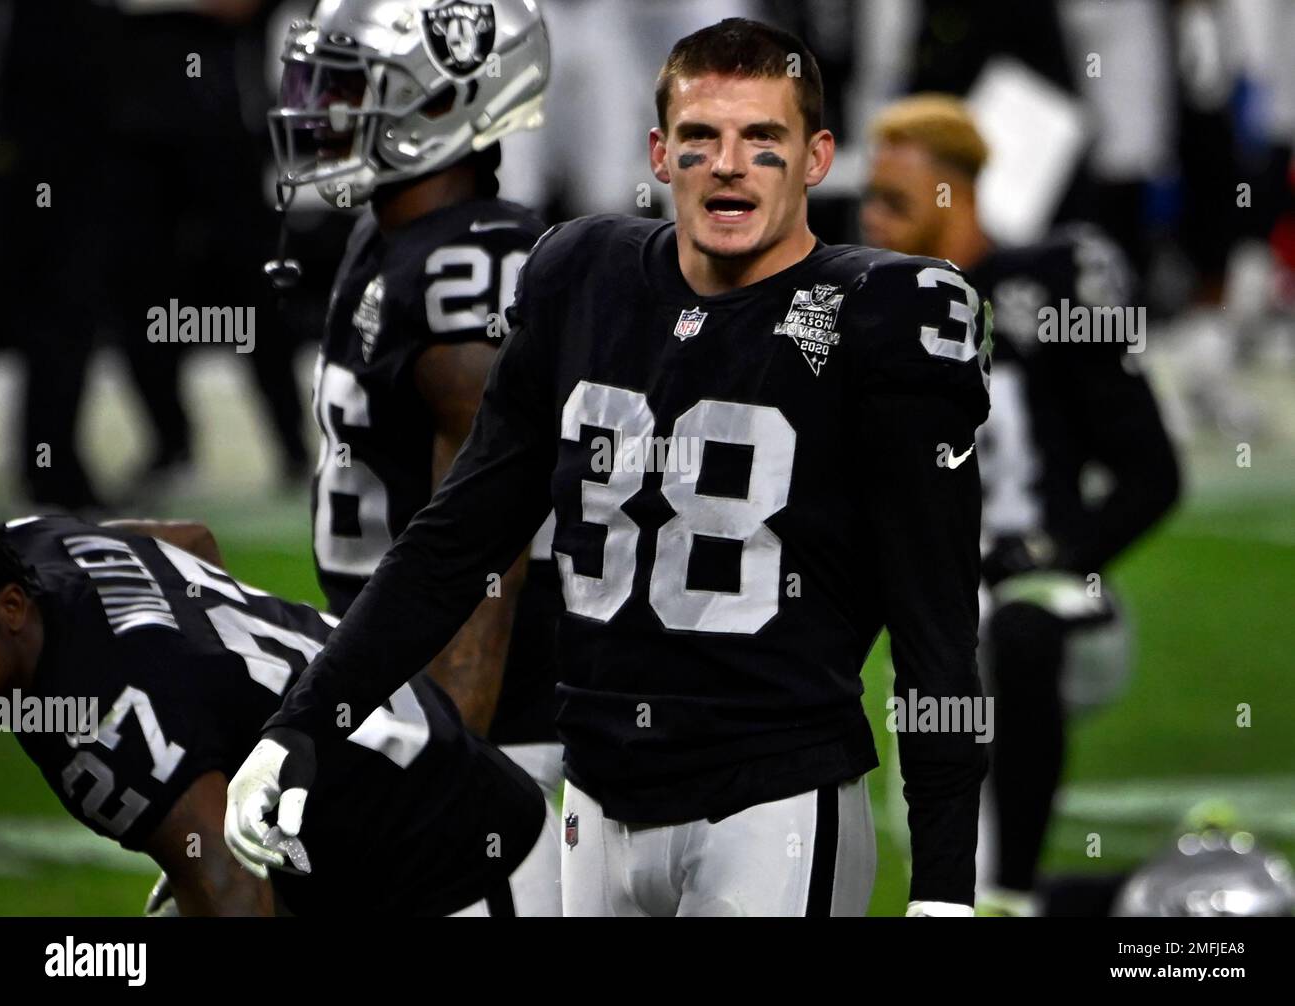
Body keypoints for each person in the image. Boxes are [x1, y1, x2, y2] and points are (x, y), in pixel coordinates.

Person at [228, 18, 993, 918]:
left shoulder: (884, 314)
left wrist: (944, 891)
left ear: (818, 157)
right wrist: (307, 718)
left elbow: (936, 629)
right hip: (594, 802)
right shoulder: (579, 275)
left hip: (772, 806)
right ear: (661, 154)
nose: (729, 164)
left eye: (763, 140)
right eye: (701, 138)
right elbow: (456, 540)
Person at [269, 0, 560, 914]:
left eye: (351, 87)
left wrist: (442, 767)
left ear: (442, 105)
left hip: (491, 728)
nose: (322, 108)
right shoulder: (388, 231)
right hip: (395, 687)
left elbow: (483, 555)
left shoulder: (463, 269)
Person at [861, 94, 1180, 915]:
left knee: (1014, 629)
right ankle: (1075, 901)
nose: (872, 220)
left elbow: (1153, 476)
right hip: (948, 610)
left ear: (954, 196)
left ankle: (1009, 893)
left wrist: (1045, 552)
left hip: (1064, 598)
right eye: (870, 199)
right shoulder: (872, 308)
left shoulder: (1045, 288)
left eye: (894, 201)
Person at [0, 515, 543, 916]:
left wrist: (193, 831)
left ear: (12, 607)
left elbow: (230, 891)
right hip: (414, 772)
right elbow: (193, 541)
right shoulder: (33, 540)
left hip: (452, 863)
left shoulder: (106, 715)